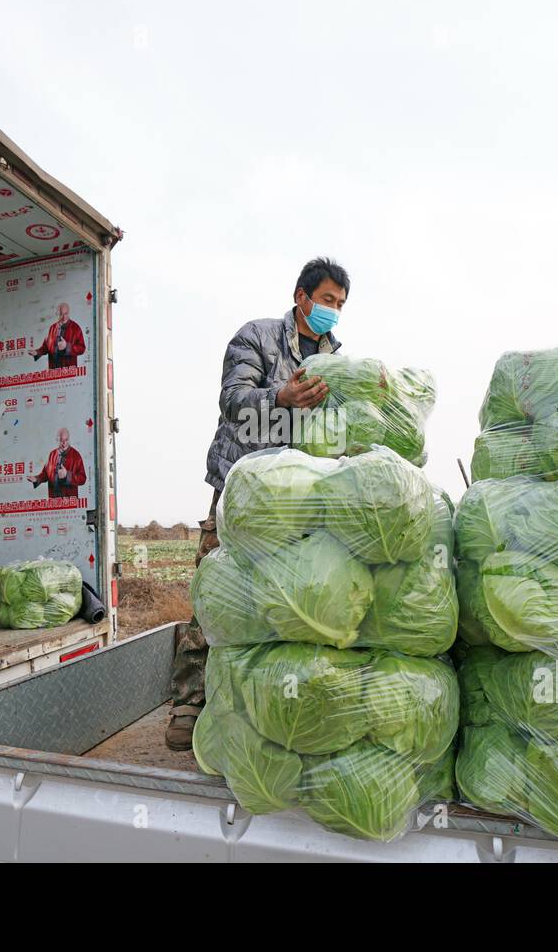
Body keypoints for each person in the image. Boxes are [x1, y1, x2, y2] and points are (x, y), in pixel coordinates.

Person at [165, 257, 348, 750]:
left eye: (340, 305)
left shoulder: (336, 360)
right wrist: (281, 397)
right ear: (301, 296)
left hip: (295, 499)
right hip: (241, 491)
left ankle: (253, 700)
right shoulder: (257, 337)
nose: (332, 311)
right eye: (326, 300)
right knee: (214, 590)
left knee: (279, 596)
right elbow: (233, 399)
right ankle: (187, 702)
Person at [28, 427, 86, 498]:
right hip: (54, 500)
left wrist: (67, 475)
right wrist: (37, 479)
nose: (64, 443)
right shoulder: (52, 454)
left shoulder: (76, 455)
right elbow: (46, 474)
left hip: (69, 500)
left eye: (66, 440)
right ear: (57, 440)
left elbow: (82, 478)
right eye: (61, 440)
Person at [29, 302, 86, 370]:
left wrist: (67, 346)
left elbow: (82, 348)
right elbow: (46, 347)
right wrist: (37, 352)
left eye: (66, 313)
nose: (64, 317)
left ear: (69, 312)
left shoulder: (75, 328)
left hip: (68, 371)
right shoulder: (52, 328)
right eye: (61, 314)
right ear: (57, 314)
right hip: (53, 370)